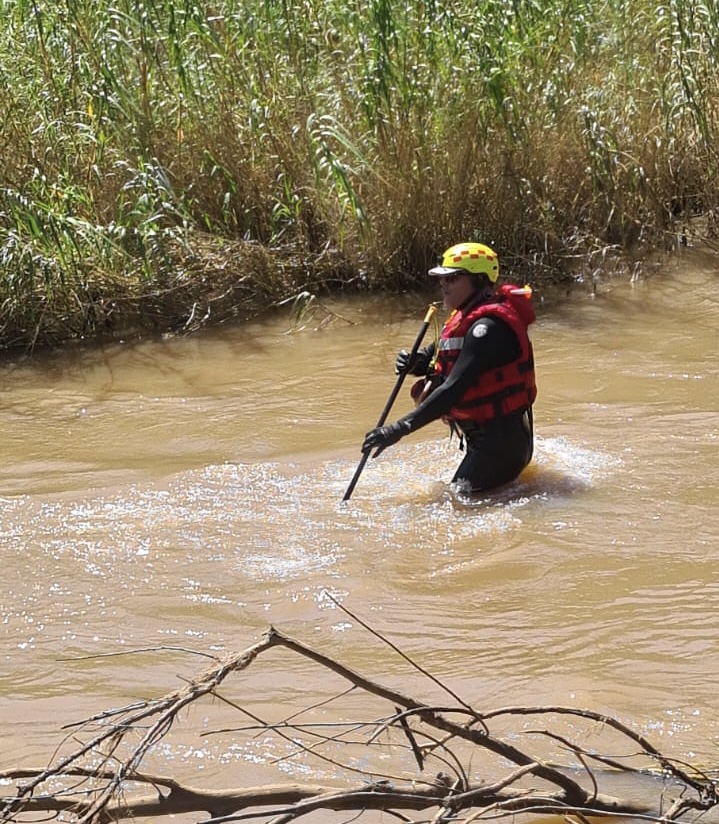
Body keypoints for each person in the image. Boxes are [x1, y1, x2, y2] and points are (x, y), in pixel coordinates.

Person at [362, 241, 537, 493]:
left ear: (478, 279)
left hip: (501, 447)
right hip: (488, 442)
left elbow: (453, 388)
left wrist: (398, 429)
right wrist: (413, 363)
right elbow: (433, 357)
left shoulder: (486, 329)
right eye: (442, 280)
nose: (443, 285)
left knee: (458, 505)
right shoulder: (462, 319)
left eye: (452, 279)